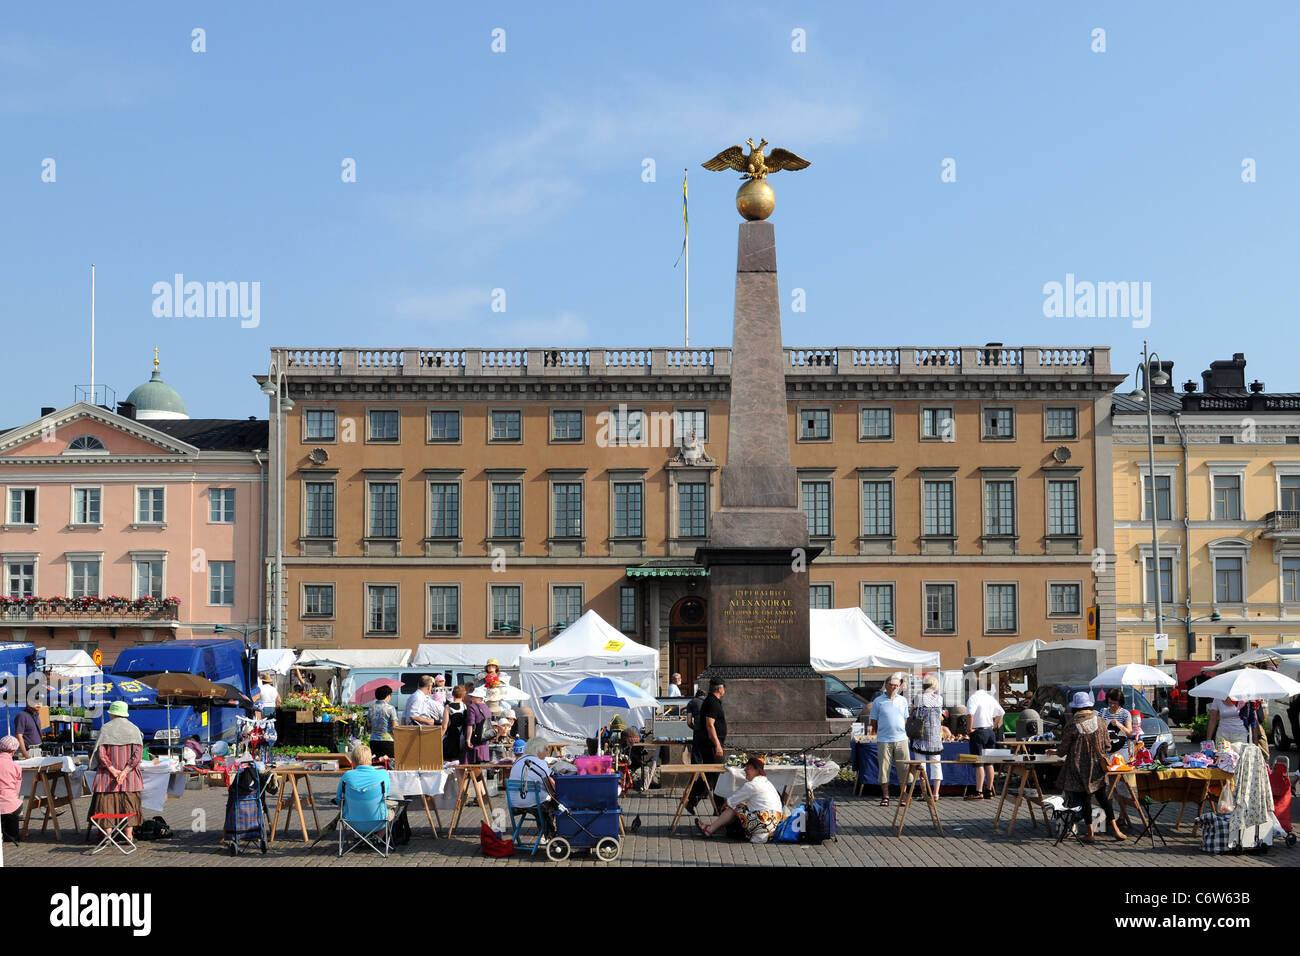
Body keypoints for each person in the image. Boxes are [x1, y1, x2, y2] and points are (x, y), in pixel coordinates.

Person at [1057, 691, 1125, 842]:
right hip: (1097, 768)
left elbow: (1062, 751)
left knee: (1084, 800)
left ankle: (1090, 833)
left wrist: (1054, 751)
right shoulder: (1100, 721)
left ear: (1075, 708)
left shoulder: (1072, 724)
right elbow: (1108, 746)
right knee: (1102, 798)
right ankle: (1116, 829)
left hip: (1078, 768)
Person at [87, 701, 144, 843]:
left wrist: (112, 770)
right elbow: (137, 755)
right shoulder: (134, 729)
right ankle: (128, 835)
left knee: (106, 806)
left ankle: (107, 837)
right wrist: (124, 772)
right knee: (129, 804)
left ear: (112, 713)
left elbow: (101, 754)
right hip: (129, 778)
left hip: (107, 778)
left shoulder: (105, 729)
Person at [695, 756, 784, 843]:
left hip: (762, 823)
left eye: (748, 768)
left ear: (757, 771)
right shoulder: (767, 783)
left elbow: (730, 802)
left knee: (734, 807)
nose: (745, 770)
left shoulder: (752, 785)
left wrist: (723, 809)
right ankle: (714, 827)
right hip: (774, 825)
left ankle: (710, 829)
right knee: (740, 806)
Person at [869, 673, 911, 807]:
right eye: (892, 685)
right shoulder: (878, 701)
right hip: (884, 739)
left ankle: (903, 796)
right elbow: (873, 721)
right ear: (886, 685)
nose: (894, 687)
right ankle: (885, 796)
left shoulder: (903, 700)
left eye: (896, 685)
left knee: (904, 768)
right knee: (884, 768)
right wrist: (881, 732)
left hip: (901, 739)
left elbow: (905, 719)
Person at [508, 736, 559, 838]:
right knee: (553, 802)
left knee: (541, 799)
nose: (547, 752)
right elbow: (550, 787)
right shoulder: (540, 762)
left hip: (514, 805)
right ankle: (550, 835)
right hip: (533, 805)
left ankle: (543, 834)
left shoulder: (517, 762)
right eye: (546, 749)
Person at [687, 679, 726, 814]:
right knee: (718, 775)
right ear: (719, 689)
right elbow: (710, 725)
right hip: (711, 746)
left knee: (710, 775)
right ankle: (719, 807)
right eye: (723, 688)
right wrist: (717, 745)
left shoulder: (711, 701)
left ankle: (692, 801)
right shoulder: (712, 703)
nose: (724, 690)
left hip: (710, 744)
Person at [965, 687, 1005, 800]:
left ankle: (979, 791)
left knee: (979, 763)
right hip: (989, 732)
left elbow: (970, 715)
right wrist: (994, 725)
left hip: (978, 732)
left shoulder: (973, 698)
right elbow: (1001, 712)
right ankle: (989, 789)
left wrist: (969, 729)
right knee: (989, 763)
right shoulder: (989, 698)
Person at [336, 743, 393, 816]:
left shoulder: (347, 775)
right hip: (379, 821)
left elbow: (339, 799)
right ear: (370, 759)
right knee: (396, 802)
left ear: (353, 760)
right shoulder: (383, 774)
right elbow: (386, 795)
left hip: (351, 821)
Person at [913, 676, 945, 798]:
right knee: (936, 764)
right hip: (936, 736)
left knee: (921, 765)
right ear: (935, 686)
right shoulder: (939, 699)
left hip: (920, 735)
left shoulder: (918, 698)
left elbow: (913, 713)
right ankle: (936, 793)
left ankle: (925, 792)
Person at [367, 685, 400, 760]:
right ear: (388, 696)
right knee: (389, 764)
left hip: (374, 741)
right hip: (387, 741)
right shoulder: (390, 708)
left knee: (376, 764)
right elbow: (395, 726)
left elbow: (369, 724)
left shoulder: (371, 708)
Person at [0, 735, 21, 845]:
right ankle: (11, 835)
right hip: (11, 805)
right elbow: (16, 791)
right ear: (13, 751)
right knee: (14, 805)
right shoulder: (16, 766)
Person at [463, 688, 494, 765]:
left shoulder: (472, 707)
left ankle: (475, 777)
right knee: (481, 766)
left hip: (475, 740)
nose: (471, 698)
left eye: (473, 696)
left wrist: (468, 739)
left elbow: (470, 724)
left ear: (478, 698)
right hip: (484, 739)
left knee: (472, 765)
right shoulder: (487, 707)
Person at [1099, 688, 1134, 753]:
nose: (1112, 705)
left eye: (1115, 703)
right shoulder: (1102, 712)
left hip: (1121, 750)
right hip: (1106, 750)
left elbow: (1130, 734)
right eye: (1110, 703)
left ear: (1120, 702)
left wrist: (1118, 724)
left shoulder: (1125, 713)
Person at [444, 685, 469, 763]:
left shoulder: (448, 706)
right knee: (460, 760)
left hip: (451, 735)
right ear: (463, 695)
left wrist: (439, 737)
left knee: (449, 760)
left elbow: (444, 725)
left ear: (452, 694)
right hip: (462, 735)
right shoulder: (465, 706)